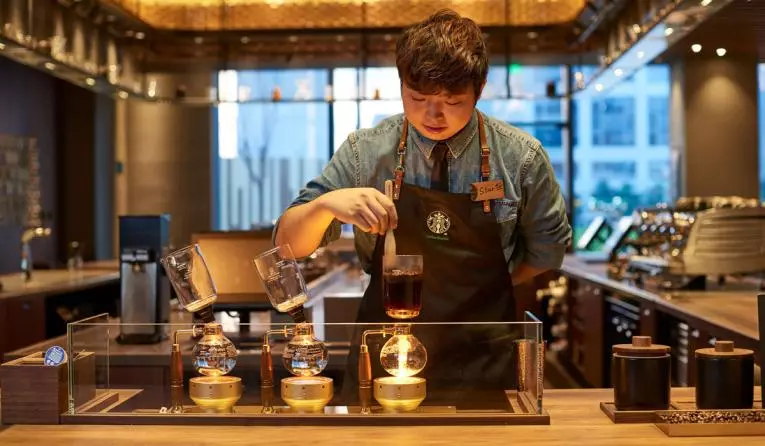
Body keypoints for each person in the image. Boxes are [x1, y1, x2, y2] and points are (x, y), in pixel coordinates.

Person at [273, 9, 571, 406]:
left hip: (483, 351)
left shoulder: (521, 158)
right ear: (401, 86)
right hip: (386, 351)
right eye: (418, 99)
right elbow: (287, 246)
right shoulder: (366, 152)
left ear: (479, 89)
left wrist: (485, 287)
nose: (434, 115)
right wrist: (328, 205)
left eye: (452, 100)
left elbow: (547, 253)